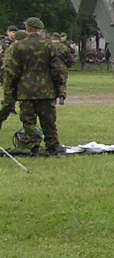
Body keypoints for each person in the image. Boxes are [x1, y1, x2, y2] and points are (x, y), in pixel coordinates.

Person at [2, 17, 67, 156]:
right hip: (46, 90)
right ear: (40, 30)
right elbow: (57, 69)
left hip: (25, 91)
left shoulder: (18, 47)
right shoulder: (50, 45)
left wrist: (11, 92)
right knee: (49, 121)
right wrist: (59, 88)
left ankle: (34, 147)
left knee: (28, 121)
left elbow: (12, 71)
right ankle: (53, 147)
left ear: (27, 29)